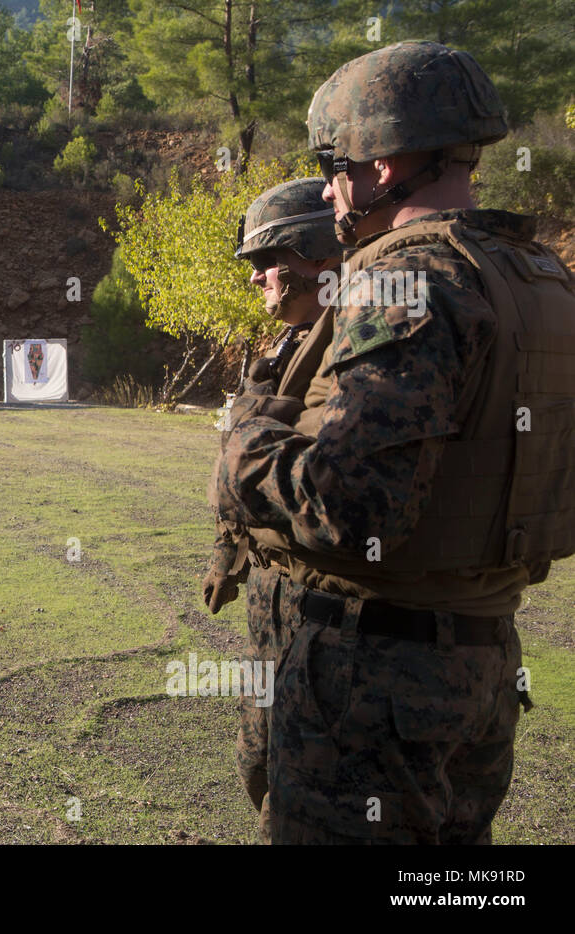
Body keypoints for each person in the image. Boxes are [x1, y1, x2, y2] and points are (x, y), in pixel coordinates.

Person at [215, 40, 575, 843]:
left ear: (381, 164)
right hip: (479, 659)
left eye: (335, 164)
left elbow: (348, 509)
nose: (330, 186)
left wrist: (244, 446)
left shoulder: (404, 280)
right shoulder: (539, 277)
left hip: (372, 682)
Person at [201, 177, 342, 839]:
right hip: (274, 613)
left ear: (316, 254)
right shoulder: (286, 348)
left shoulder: (357, 344)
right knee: (257, 766)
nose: (256, 279)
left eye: (266, 261)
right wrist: (227, 556)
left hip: (328, 628)